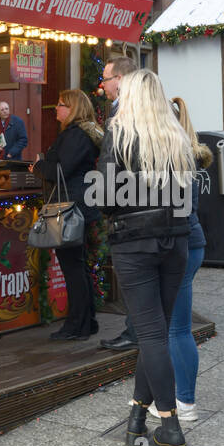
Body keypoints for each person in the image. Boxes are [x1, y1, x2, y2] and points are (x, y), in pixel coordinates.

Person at [95, 68, 196, 446]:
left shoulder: (118, 136)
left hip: (135, 244)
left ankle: (170, 427)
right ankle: (137, 417)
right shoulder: (176, 137)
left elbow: (104, 199)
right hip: (176, 242)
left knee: (151, 336)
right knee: (158, 331)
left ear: (131, 97)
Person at [142, 97, 210, 424]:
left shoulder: (173, 156)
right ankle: (180, 397)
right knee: (174, 327)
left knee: (177, 329)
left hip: (182, 245)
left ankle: (185, 402)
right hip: (191, 244)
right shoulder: (185, 152)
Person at [31, 89, 103, 340]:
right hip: (80, 205)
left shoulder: (75, 135)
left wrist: (38, 166)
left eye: (61, 105)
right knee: (78, 266)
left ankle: (77, 326)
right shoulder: (83, 134)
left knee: (73, 268)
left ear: (72, 109)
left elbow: (61, 170)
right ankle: (86, 321)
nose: (56, 109)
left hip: (70, 208)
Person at [97, 55, 140, 353]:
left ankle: (135, 332)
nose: (102, 84)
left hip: (129, 211)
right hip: (149, 210)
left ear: (121, 80)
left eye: (106, 78)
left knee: (133, 283)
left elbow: (110, 169)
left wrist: (107, 207)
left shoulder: (124, 113)